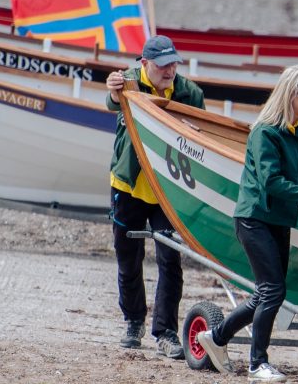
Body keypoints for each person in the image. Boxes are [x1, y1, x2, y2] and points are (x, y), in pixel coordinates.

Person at [197, 65, 298, 383]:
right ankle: (258, 364)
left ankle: (216, 337)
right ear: (292, 95)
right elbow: (270, 181)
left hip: (278, 219)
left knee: (267, 292)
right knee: (273, 290)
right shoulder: (265, 132)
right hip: (254, 218)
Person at [104, 36, 205, 359]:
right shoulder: (128, 82)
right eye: (163, 65)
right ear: (145, 63)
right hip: (129, 185)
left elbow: (203, 134)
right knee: (128, 259)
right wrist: (111, 90)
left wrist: (192, 129)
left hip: (168, 189)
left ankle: (165, 332)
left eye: (174, 62)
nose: (170, 69)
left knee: (170, 261)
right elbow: (111, 102)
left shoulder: (190, 93)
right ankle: (133, 321)